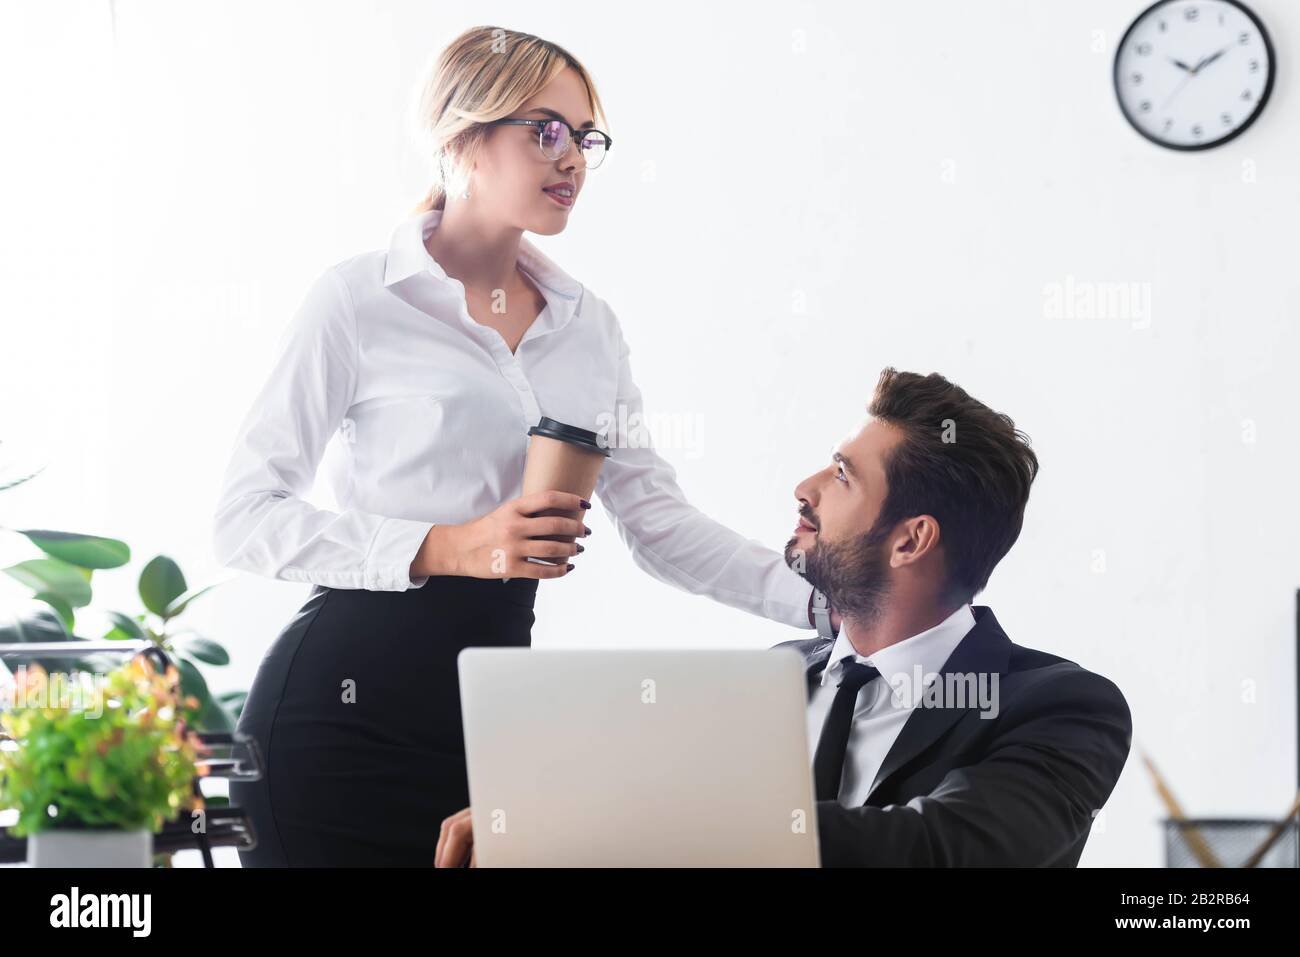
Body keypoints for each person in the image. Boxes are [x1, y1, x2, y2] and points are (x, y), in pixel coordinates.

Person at [213, 25, 831, 867]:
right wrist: (450, 544)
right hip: (330, 721)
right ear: (463, 134)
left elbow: (658, 522)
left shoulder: (590, 329)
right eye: (546, 130)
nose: (572, 157)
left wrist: (828, 606)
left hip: (487, 730)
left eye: (586, 137)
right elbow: (245, 518)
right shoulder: (358, 300)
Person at [433, 368, 1132, 867]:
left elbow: (937, 848)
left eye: (842, 474)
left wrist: (617, 821)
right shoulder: (770, 676)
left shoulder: (1063, 707)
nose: (805, 487)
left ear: (911, 538)